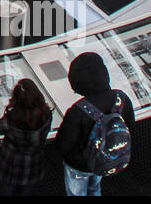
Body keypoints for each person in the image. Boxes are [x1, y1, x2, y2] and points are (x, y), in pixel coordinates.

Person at [55, 52, 135, 196]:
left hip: (79, 165)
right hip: (104, 158)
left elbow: (64, 144)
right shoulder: (121, 98)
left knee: (76, 192)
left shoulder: (78, 110)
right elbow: (130, 125)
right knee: (95, 187)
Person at [0, 79, 53, 196]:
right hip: (33, 163)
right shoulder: (46, 114)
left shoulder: (12, 119)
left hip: (11, 164)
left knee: (6, 190)